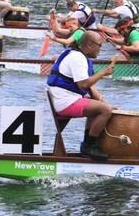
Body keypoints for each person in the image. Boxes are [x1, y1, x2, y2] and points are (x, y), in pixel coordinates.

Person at [45, 29, 119, 160]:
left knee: (100, 107)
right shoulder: (78, 58)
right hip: (64, 102)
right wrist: (102, 72)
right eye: (99, 45)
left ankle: (88, 145)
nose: (100, 49)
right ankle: (89, 146)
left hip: (64, 98)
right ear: (89, 45)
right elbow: (84, 85)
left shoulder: (77, 55)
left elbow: (90, 87)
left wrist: (102, 101)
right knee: (105, 110)